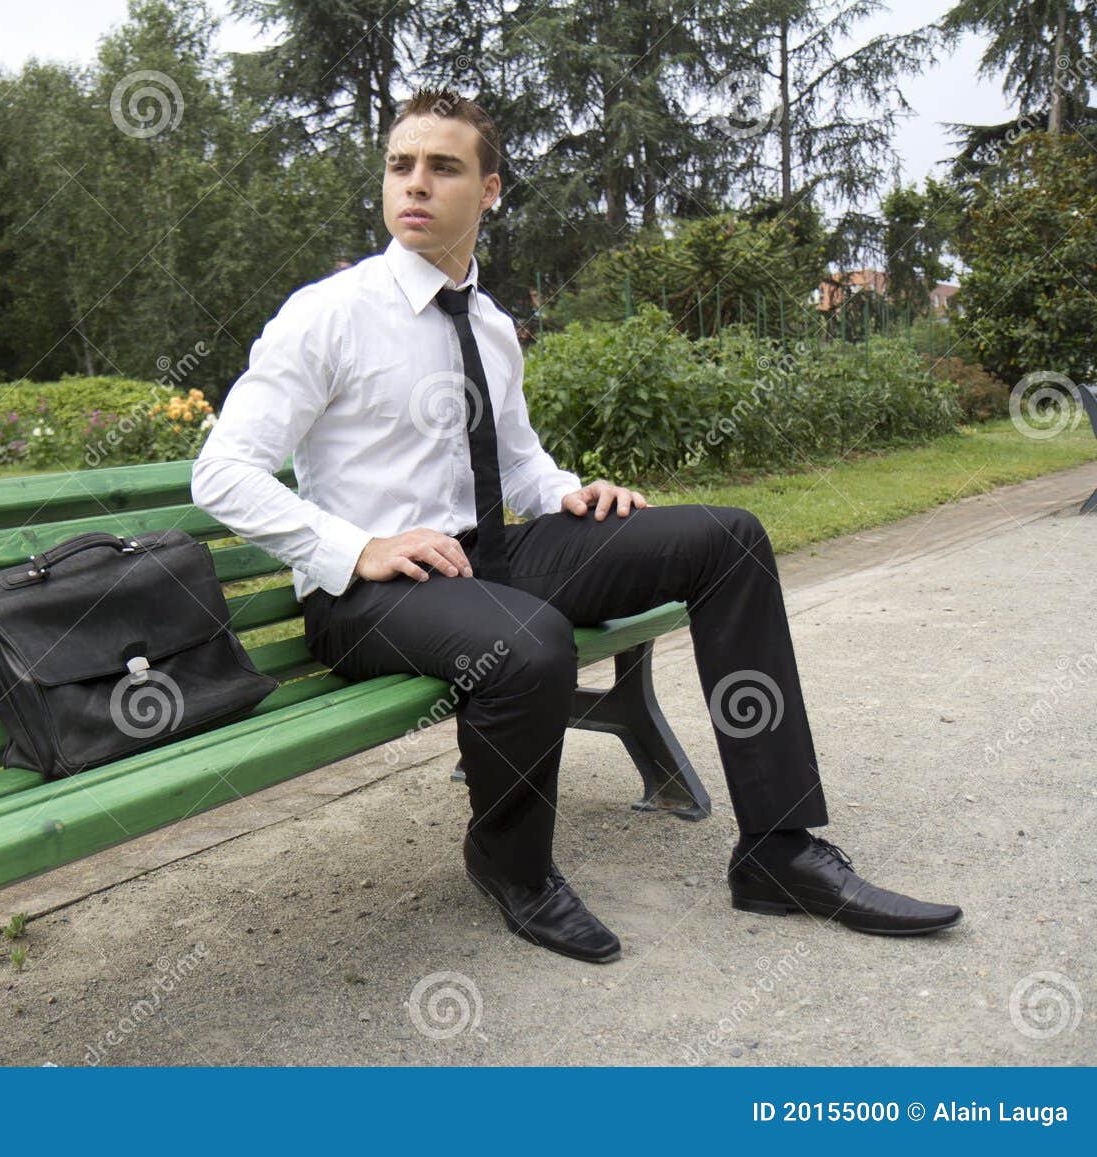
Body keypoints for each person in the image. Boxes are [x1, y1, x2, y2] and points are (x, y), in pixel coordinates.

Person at [189, 87, 962, 963]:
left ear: (489, 192)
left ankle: (778, 849)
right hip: (370, 594)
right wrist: (357, 546)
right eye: (400, 165)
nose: (415, 184)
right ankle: (511, 864)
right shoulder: (329, 312)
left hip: (488, 558)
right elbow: (221, 472)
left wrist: (572, 491)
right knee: (531, 640)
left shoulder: (488, 323)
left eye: (444, 167)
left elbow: (517, 462)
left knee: (727, 535)